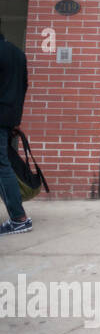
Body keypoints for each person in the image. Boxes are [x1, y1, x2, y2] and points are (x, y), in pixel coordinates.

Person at [0, 25, 31, 236]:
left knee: (2, 166)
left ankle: (19, 218)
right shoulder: (18, 53)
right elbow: (24, 86)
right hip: (8, 116)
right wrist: (15, 121)